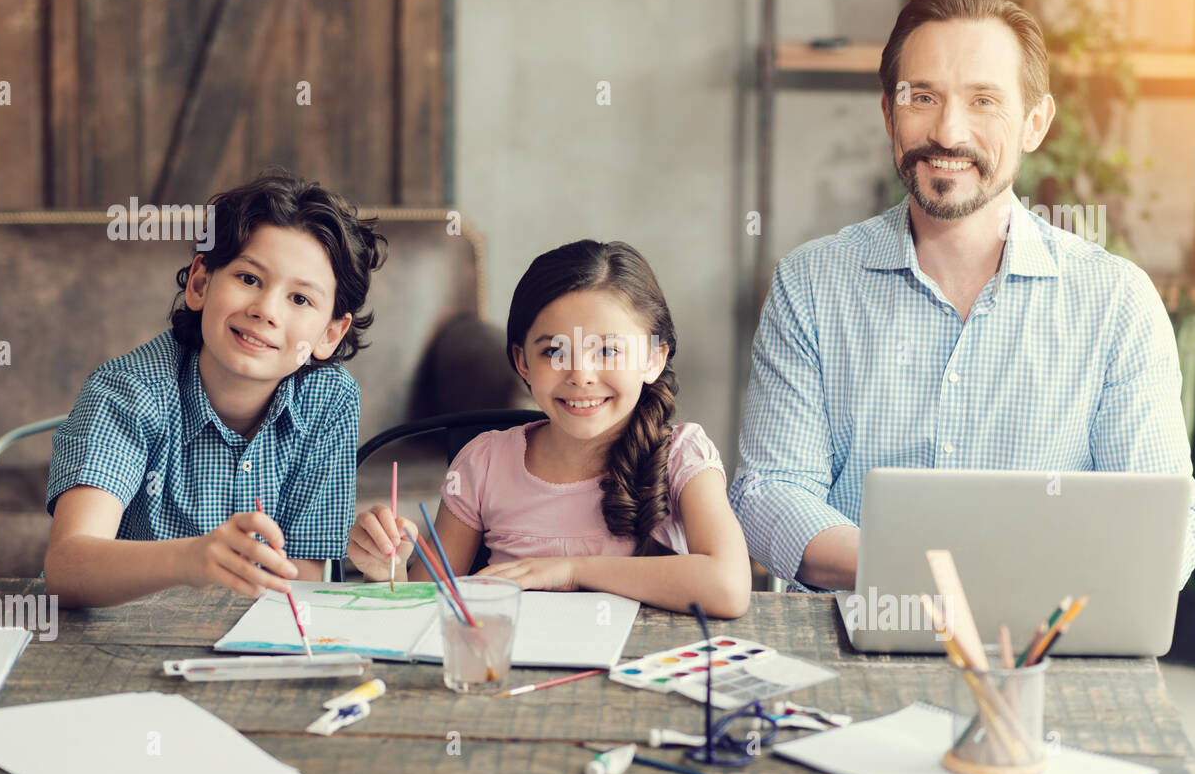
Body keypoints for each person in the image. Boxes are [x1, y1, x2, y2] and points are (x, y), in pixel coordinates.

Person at [729, 0, 1195, 593]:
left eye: (983, 101)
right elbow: (770, 495)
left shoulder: (1118, 303)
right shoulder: (809, 285)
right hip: (850, 644)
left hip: (1045, 648)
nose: (948, 132)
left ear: (1035, 123)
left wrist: (1009, 581)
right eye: (922, 96)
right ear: (888, 113)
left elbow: (1168, 524)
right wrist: (937, 574)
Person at [348, 240, 751, 619]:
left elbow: (729, 588)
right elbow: (425, 602)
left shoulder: (683, 456)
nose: (581, 375)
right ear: (523, 363)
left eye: (608, 350)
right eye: (555, 351)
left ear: (653, 358)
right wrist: (386, 570)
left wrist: (571, 571)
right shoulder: (484, 462)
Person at [44, 170, 387, 607]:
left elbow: (302, 583)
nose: (265, 310)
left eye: (300, 299)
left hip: (250, 650)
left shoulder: (331, 401)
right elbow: (67, 567)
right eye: (248, 278)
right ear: (201, 283)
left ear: (330, 335)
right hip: (120, 643)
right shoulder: (128, 390)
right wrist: (191, 559)